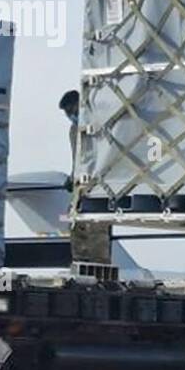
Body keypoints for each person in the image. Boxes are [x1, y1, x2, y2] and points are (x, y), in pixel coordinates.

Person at [59, 89, 111, 265]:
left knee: (97, 225)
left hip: (98, 183)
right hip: (80, 184)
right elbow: (78, 158)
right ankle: (80, 261)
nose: (71, 116)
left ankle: (99, 264)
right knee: (73, 221)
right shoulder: (74, 131)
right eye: (68, 113)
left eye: (72, 111)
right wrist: (72, 177)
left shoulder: (98, 124)